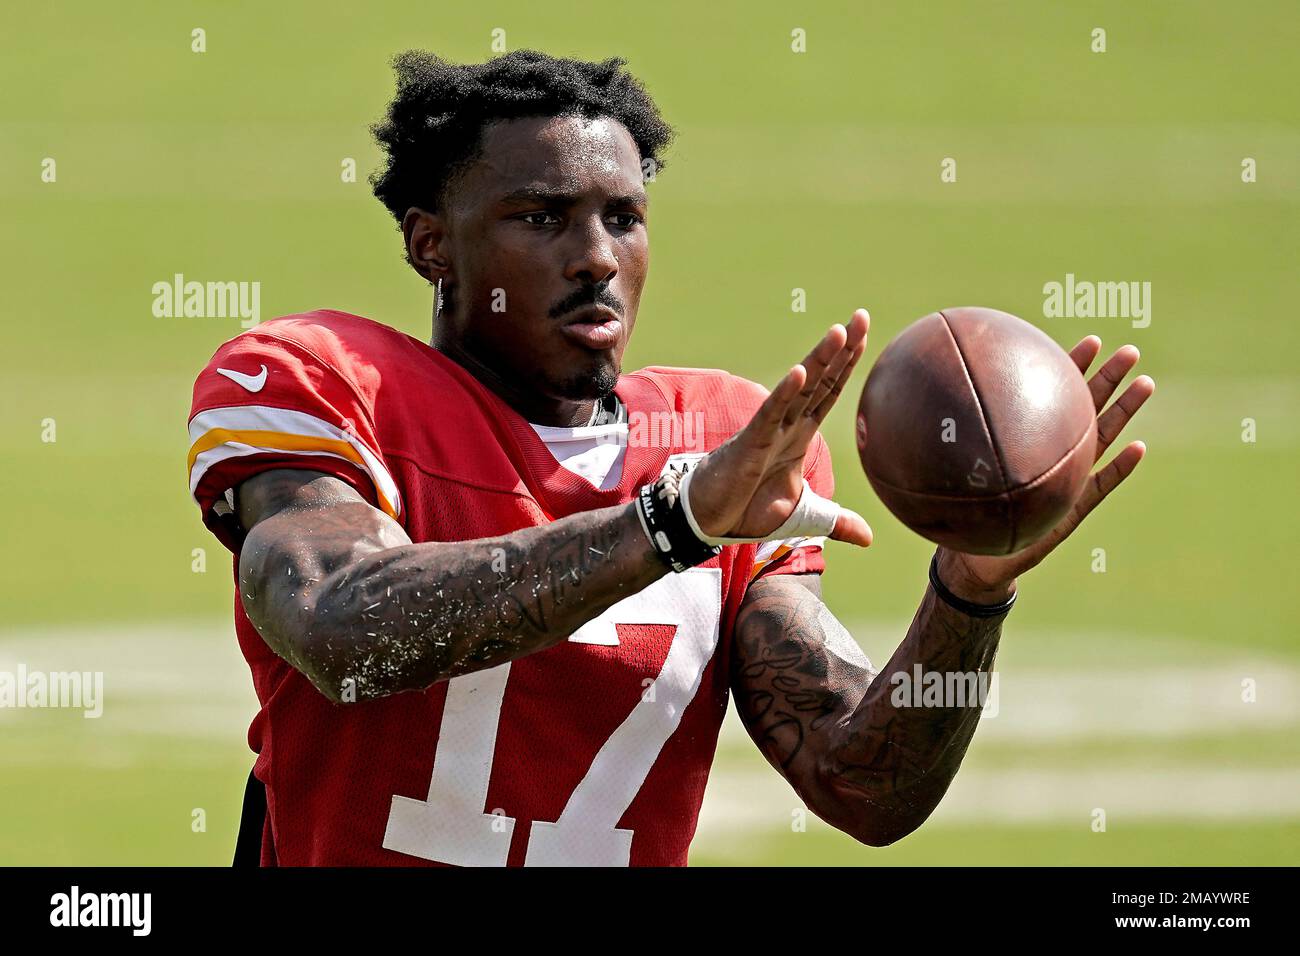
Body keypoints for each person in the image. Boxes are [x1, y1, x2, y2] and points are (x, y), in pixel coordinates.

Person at [187, 49, 1153, 866]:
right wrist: (671, 525)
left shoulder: (724, 443)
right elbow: (343, 634)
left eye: (623, 216)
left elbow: (863, 785)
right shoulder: (325, 380)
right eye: (540, 217)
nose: (596, 255)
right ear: (432, 245)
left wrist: (970, 593)